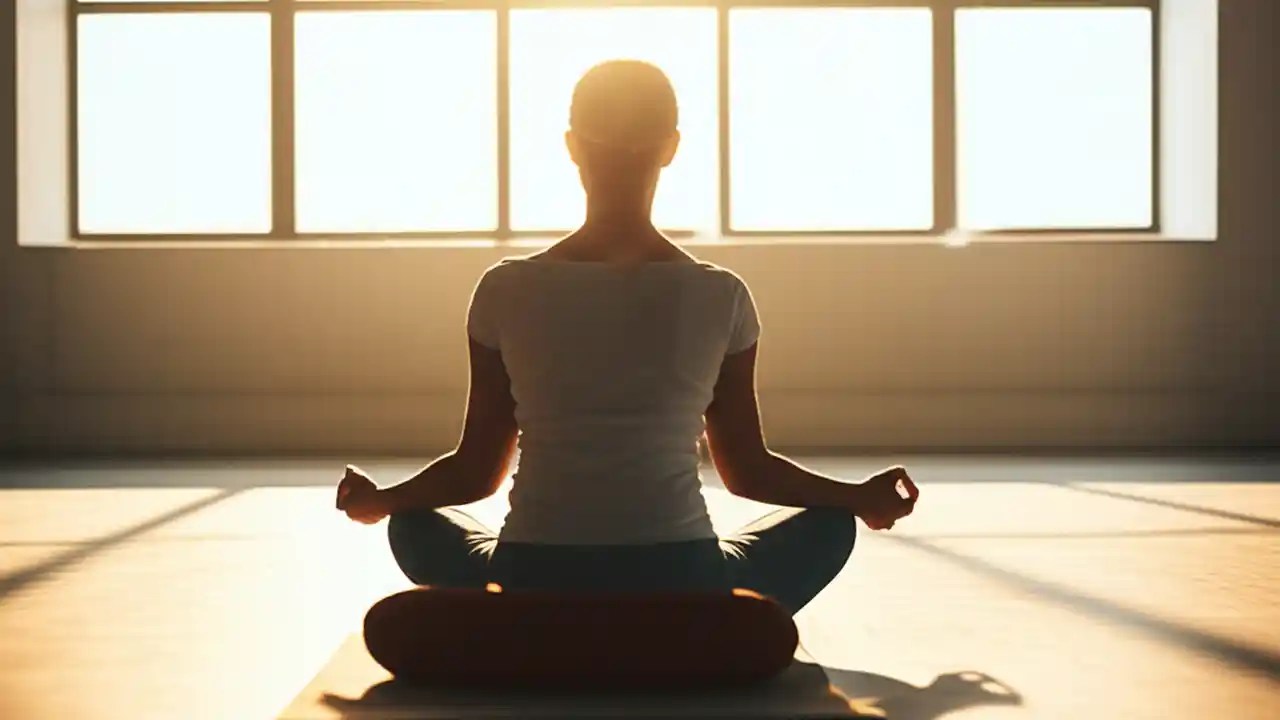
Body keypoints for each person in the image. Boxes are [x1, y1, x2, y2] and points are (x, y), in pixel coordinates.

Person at [335, 59, 919, 616]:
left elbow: (474, 473)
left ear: (572, 146)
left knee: (413, 522)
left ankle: (525, 628)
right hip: (684, 581)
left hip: (529, 579)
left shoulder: (505, 288)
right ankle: (701, 630)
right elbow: (748, 473)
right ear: (671, 147)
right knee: (829, 522)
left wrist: (381, 500)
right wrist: (857, 497)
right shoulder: (721, 294)